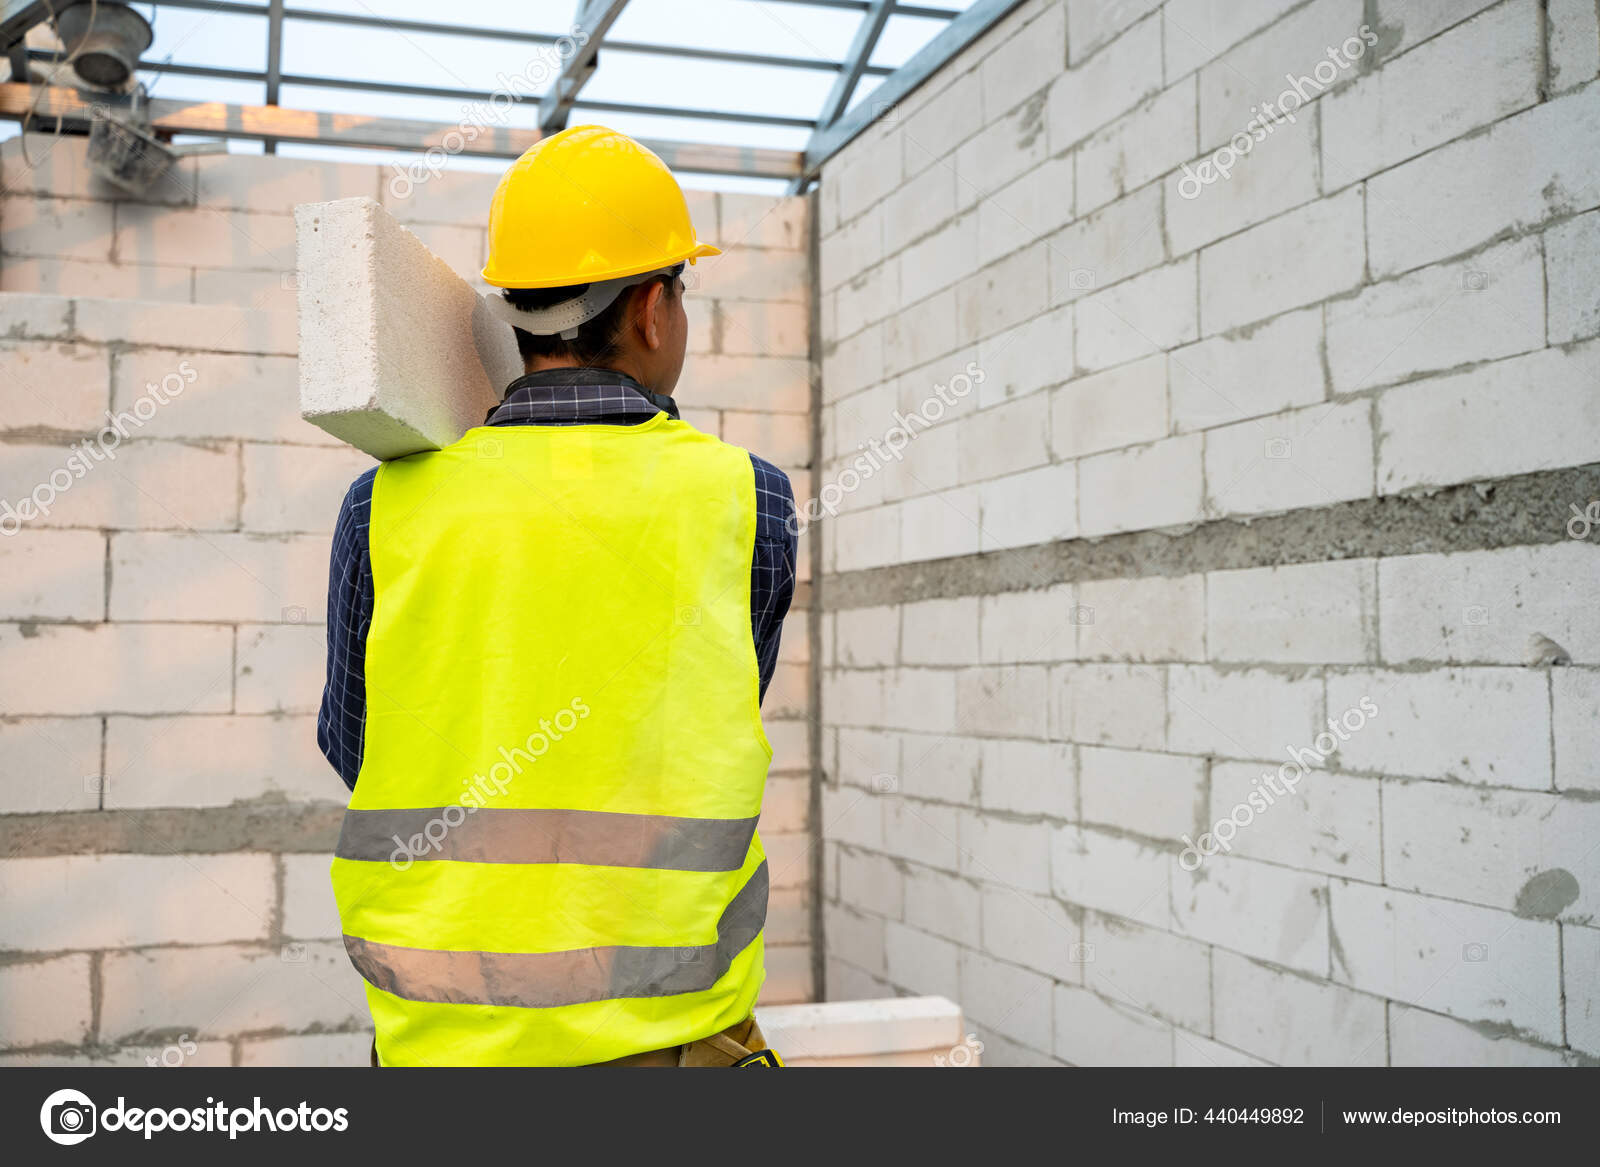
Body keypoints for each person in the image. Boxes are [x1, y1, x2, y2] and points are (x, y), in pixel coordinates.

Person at [317, 125, 796, 1067]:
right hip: (673, 1059)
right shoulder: (751, 501)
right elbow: (712, 726)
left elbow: (358, 749)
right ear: (655, 310)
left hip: (437, 1062)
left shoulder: (381, 505)